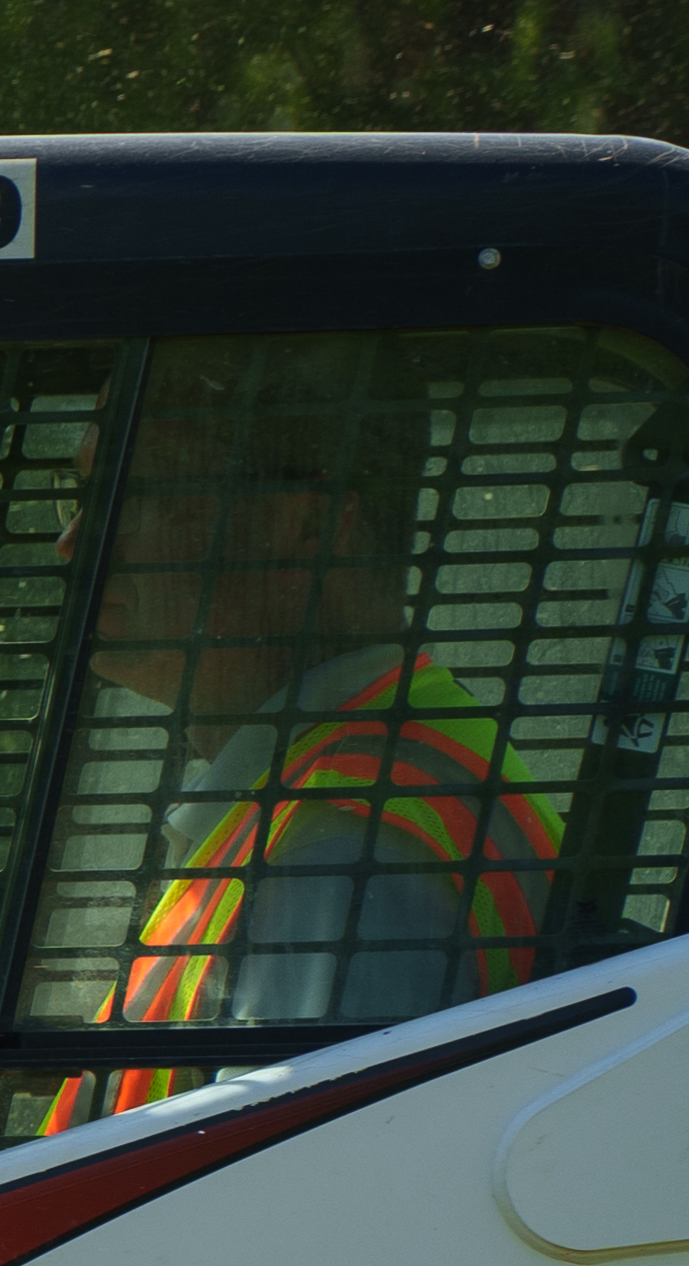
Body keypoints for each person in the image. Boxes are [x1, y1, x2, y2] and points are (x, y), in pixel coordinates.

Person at [31, 367, 558, 1131]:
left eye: (125, 498)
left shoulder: (342, 840)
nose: (70, 544)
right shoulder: (336, 785)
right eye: (76, 498)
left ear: (304, 525)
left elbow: (296, 1175)